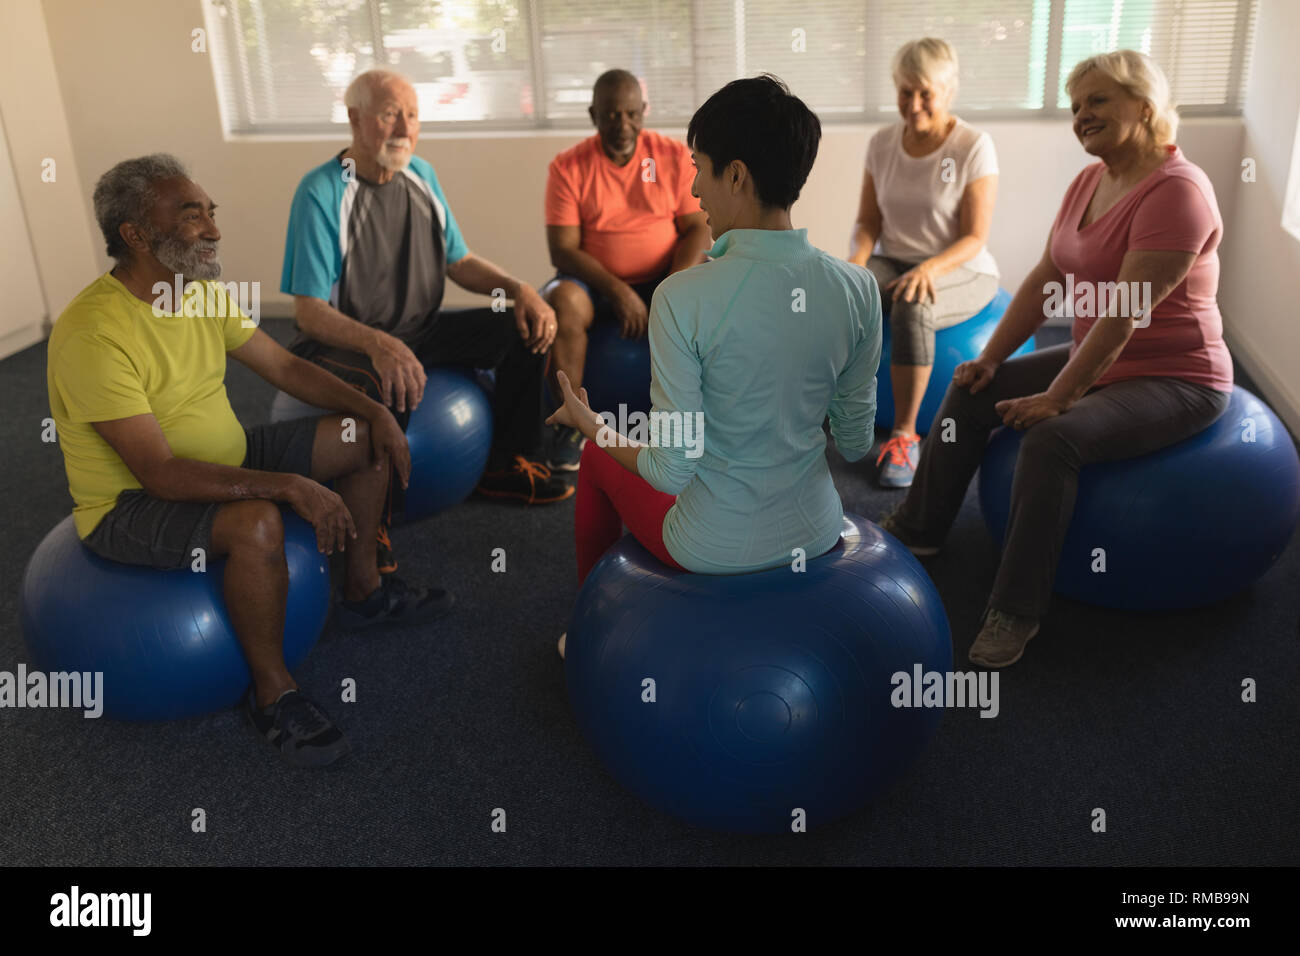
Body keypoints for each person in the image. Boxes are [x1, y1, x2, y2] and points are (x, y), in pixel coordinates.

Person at [48, 154, 453, 768]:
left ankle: (364, 588)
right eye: (191, 217)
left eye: (211, 213)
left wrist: (371, 411)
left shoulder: (200, 293)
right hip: (132, 502)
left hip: (225, 455)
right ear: (135, 235)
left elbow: (285, 367)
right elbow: (160, 472)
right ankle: (274, 694)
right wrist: (288, 486)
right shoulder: (92, 332)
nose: (212, 229)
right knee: (259, 521)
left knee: (359, 436)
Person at [880, 51, 1233, 668]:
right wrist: (990, 359)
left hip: (1175, 374)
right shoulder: (1090, 180)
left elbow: (1122, 315)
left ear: (1145, 107)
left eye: (1097, 101)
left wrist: (1059, 397)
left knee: (1052, 441)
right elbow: (1049, 278)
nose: (1081, 116)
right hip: (1105, 356)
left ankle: (1015, 609)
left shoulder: (1178, 193)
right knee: (967, 391)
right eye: (1076, 106)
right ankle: (921, 528)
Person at [548, 75, 882, 658]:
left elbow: (674, 469)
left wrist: (590, 423)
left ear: (736, 175)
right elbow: (854, 442)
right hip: (817, 527)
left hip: (714, 544)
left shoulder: (681, 298)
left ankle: (585, 630)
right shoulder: (859, 288)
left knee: (600, 451)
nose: (694, 190)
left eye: (699, 168)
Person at [281, 69, 572, 576]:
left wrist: (520, 290)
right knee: (385, 384)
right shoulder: (321, 192)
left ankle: (506, 463)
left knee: (517, 326)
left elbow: (458, 262)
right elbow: (308, 311)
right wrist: (377, 343)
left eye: (412, 115)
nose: (404, 127)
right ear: (355, 118)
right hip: (347, 341)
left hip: (420, 330)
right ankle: (372, 529)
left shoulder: (422, 176)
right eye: (390, 113)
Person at [540, 69, 711, 469]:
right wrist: (618, 291)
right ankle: (570, 424)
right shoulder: (568, 167)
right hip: (594, 282)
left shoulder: (670, 157)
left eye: (632, 114)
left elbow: (697, 229)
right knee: (562, 301)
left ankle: (694, 423)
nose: (623, 125)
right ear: (593, 114)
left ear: (644, 112)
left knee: (710, 294)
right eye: (611, 115)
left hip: (664, 274)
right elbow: (561, 250)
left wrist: (670, 288)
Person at [849, 38, 1000, 488]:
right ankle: (828, 410)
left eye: (925, 93)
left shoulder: (973, 146)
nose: (913, 105)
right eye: (904, 92)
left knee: (913, 307)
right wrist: (854, 266)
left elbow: (975, 236)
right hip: (893, 258)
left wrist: (929, 270)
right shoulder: (881, 144)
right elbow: (867, 223)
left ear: (948, 91)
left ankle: (903, 436)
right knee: (839, 298)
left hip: (961, 267)